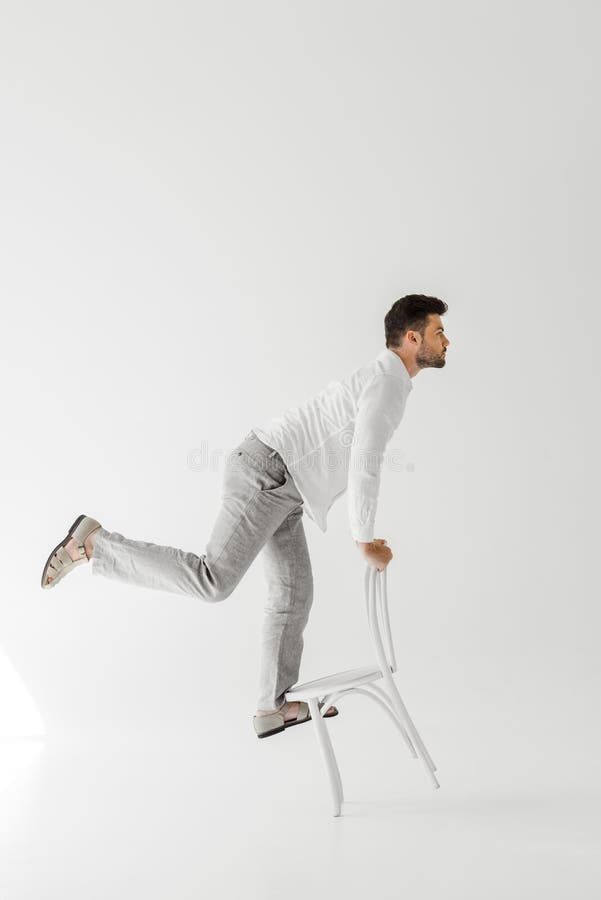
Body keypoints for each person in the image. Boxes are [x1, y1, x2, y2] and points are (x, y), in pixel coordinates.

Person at [41, 294, 450, 738]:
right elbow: (365, 459)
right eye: (438, 332)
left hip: (284, 484)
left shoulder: (387, 381)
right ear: (413, 338)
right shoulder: (386, 382)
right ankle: (96, 544)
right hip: (268, 473)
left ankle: (273, 707)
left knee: (293, 593)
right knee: (212, 580)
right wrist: (363, 540)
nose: (446, 341)